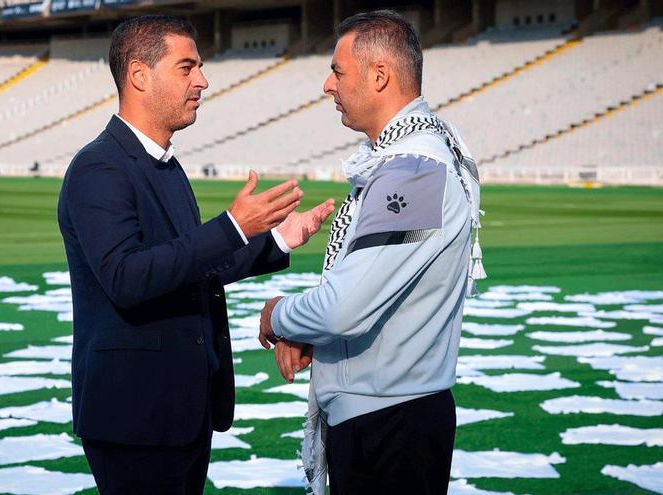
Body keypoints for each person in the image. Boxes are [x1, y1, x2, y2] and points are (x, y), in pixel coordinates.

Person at [57, 15, 334, 494]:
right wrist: (230, 226)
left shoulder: (165, 165)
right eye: (187, 67)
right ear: (140, 75)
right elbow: (127, 277)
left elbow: (193, 265)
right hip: (135, 418)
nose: (202, 80)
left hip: (183, 412)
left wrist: (277, 240)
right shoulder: (98, 168)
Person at [258, 10, 484, 495]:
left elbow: (344, 308)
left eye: (338, 71)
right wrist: (312, 333)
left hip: (388, 423)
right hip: (392, 410)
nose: (327, 85)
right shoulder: (417, 154)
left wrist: (279, 316)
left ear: (379, 76)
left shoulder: (414, 169)